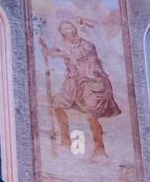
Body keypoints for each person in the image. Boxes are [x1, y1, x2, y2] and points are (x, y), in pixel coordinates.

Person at [41, 19, 121, 157]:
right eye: (65, 29)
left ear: (74, 28)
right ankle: (65, 140)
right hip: (74, 81)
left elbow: (75, 54)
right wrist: (43, 45)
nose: (68, 30)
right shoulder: (62, 45)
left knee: (91, 113)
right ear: (62, 33)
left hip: (93, 81)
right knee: (57, 103)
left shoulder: (87, 45)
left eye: (70, 27)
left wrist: (54, 51)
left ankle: (99, 147)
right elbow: (51, 53)